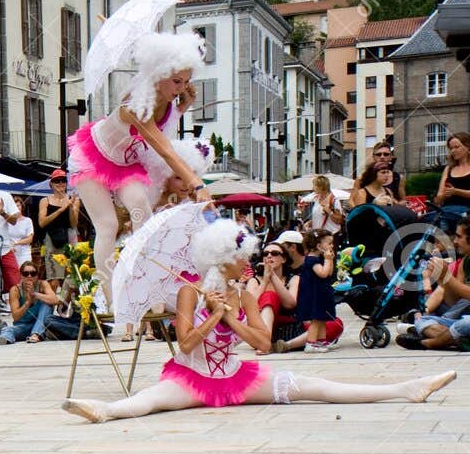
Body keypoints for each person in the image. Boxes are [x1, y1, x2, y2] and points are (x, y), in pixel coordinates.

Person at [63, 217, 455, 423]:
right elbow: (184, 345)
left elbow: (263, 344)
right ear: (221, 258)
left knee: (315, 386)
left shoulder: (243, 292)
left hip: (235, 374)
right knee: (146, 402)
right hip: (190, 377)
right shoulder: (189, 292)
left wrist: (230, 317)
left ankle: (406, 388)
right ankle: (103, 410)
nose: (247, 260)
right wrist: (212, 313)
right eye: (241, 255)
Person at [67, 30, 212, 298]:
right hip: (92, 157)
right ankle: (109, 298)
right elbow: (165, 149)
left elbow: (165, 132)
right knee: (108, 225)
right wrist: (196, 182)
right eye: (177, 81)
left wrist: (182, 108)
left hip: (124, 165)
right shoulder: (136, 105)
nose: (181, 88)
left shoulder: (168, 104)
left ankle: (140, 282)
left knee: (142, 213)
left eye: (186, 82)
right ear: (158, 75)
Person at [402, 217, 470, 350]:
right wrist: (442, 279)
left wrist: (448, 278)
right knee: (422, 321)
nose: (455, 242)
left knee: (464, 323)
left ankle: (428, 343)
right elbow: (453, 301)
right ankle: (454, 339)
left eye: (458, 236)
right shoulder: (465, 262)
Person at [0, 262, 80, 344]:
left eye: (33, 273)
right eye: (25, 273)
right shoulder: (15, 290)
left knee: (47, 304)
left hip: (41, 325)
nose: (29, 276)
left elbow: (54, 300)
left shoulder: (42, 284)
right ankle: (3, 339)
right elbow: (15, 317)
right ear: (21, 275)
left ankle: (35, 334)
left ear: (37, 275)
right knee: (8, 330)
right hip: (23, 325)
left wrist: (35, 294)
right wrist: (28, 302)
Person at [296, 229, 339, 351]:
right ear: (319, 246)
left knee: (322, 319)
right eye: (329, 243)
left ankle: (321, 341)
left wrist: (329, 260)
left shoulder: (319, 259)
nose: (332, 246)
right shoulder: (311, 260)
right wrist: (327, 259)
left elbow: (329, 273)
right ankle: (311, 343)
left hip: (321, 294)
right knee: (316, 320)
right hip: (314, 296)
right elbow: (323, 273)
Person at [37, 170, 79, 283]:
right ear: (51, 184)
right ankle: (54, 300)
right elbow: (42, 223)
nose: (60, 183)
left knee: (72, 277)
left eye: (63, 180)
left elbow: (74, 223)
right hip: (52, 238)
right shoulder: (45, 201)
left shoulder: (74, 200)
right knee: (54, 277)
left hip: (70, 238)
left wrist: (70, 207)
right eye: (57, 181)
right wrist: (61, 210)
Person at [433, 132, 470, 229]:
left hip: (466, 214)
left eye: (457, 147)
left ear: (467, 147)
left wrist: (456, 191)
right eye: (451, 148)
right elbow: (439, 196)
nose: (453, 151)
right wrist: (442, 196)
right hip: (447, 212)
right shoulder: (449, 169)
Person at [306, 174, 345, 240]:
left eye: (314, 185)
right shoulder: (316, 200)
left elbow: (339, 220)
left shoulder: (334, 200)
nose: (312, 188)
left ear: (321, 187)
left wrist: (329, 212)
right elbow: (319, 217)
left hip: (330, 236)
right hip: (319, 235)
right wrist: (310, 223)